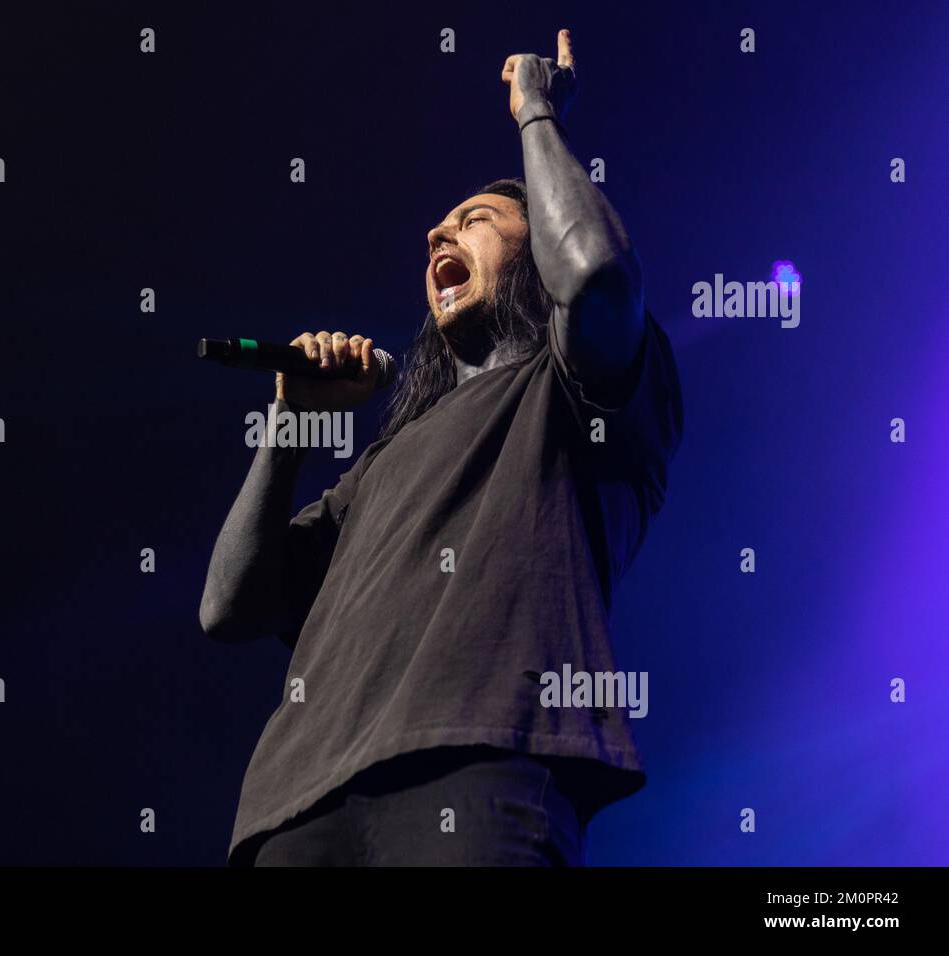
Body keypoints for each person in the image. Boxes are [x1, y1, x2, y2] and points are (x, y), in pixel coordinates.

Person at [200, 29, 683, 866]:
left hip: (480, 762)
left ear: (536, 253)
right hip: (295, 807)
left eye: (477, 222)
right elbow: (230, 607)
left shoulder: (574, 394)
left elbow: (599, 277)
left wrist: (537, 114)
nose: (438, 236)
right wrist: (290, 427)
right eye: (437, 229)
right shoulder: (381, 466)